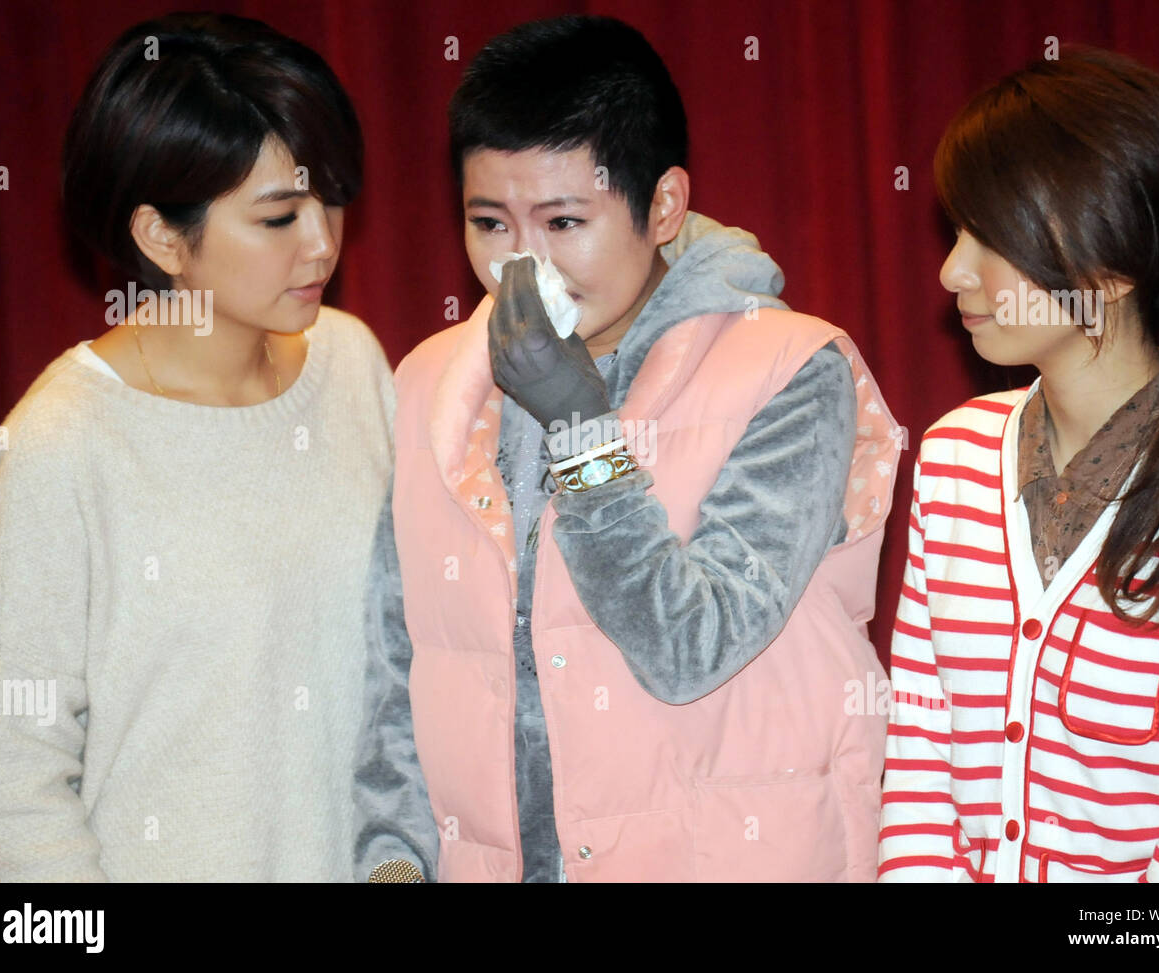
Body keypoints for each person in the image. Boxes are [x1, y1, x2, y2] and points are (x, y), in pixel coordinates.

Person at [353, 14, 900, 883]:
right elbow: (398, 660)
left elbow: (691, 651)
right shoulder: (428, 383)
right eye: (489, 223)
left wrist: (579, 432)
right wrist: (393, 860)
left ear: (664, 204)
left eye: (563, 222)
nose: (520, 267)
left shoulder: (791, 368)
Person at [0, 12, 394, 881]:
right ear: (161, 237)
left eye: (329, 197)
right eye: (279, 218)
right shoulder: (60, 443)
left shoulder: (352, 363)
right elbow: (10, 774)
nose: (323, 243)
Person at [878, 48, 1159, 882]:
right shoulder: (953, 455)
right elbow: (920, 748)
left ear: (1109, 264)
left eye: (989, 235)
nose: (951, 270)